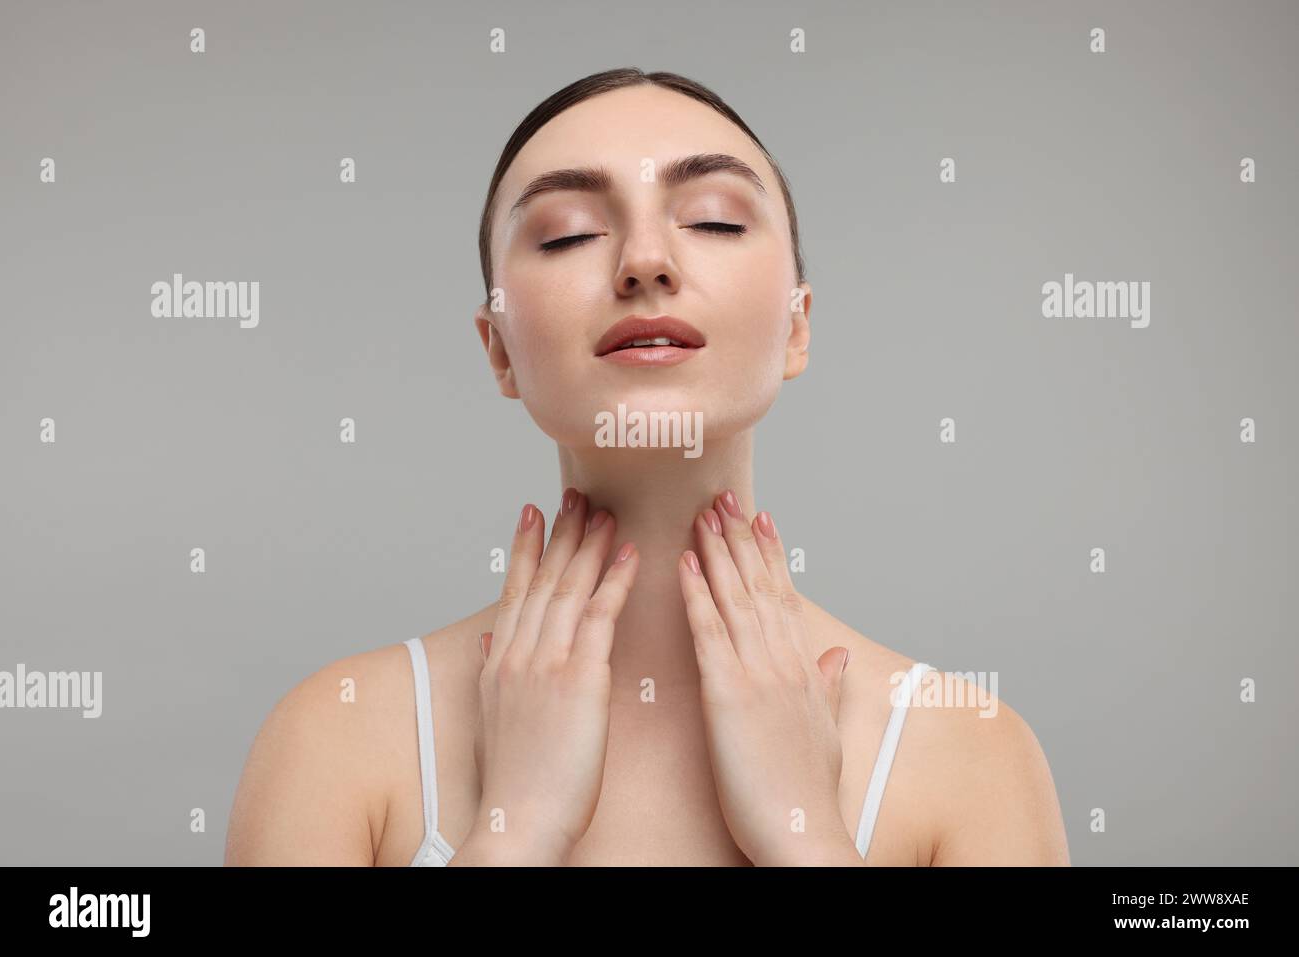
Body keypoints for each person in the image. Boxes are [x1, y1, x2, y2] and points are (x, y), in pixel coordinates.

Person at [225, 67, 1070, 866]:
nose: (644, 260)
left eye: (712, 220)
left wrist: (803, 836)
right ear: (499, 349)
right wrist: (514, 832)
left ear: (798, 325)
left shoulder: (969, 751)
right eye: (569, 233)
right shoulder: (335, 736)